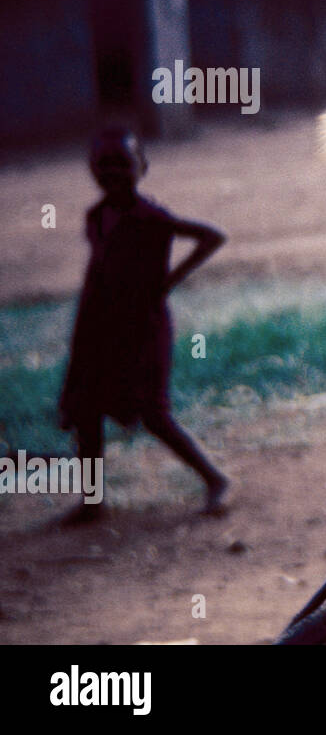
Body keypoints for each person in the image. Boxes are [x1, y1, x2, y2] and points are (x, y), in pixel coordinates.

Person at [58, 127, 229, 524]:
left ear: (143, 167)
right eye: (103, 164)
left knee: (153, 413)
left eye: (122, 162)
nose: (112, 172)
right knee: (87, 410)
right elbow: (96, 272)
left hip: (143, 329)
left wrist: (167, 282)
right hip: (101, 326)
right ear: (90, 169)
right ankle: (92, 500)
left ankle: (215, 478)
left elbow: (212, 236)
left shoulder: (149, 217)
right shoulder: (96, 216)